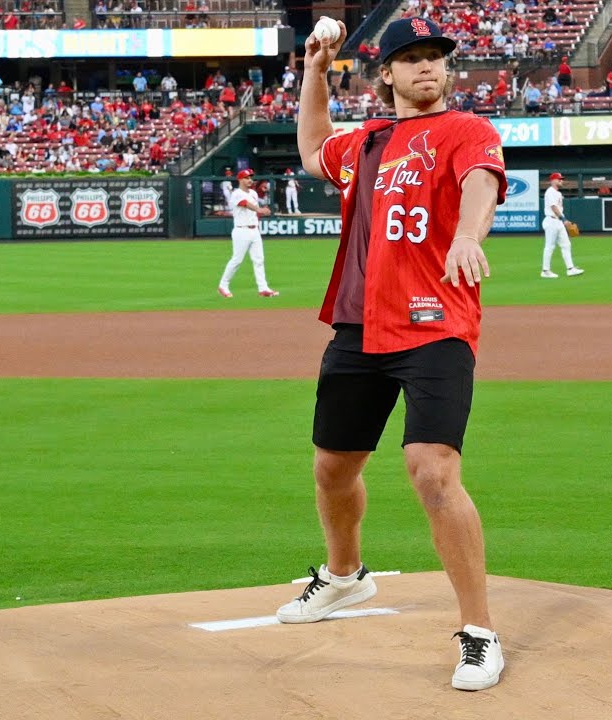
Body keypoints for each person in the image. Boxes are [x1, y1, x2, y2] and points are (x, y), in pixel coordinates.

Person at [278, 16, 508, 692]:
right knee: (332, 469)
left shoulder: (465, 129)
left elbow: (481, 183)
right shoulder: (367, 141)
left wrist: (469, 235)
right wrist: (315, 69)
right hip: (358, 327)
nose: (427, 67)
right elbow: (314, 146)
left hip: (436, 324)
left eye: (435, 57)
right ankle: (345, 578)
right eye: (411, 58)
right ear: (387, 74)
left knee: (432, 473)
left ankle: (479, 633)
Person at [217, 168, 278, 298]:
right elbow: (245, 204)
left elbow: (254, 211)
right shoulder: (236, 193)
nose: (250, 180)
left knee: (259, 260)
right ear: (240, 179)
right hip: (241, 230)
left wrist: (262, 212)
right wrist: (259, 209)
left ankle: (263, 288)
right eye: (247, 178)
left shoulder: (253, 193)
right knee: (237, 260)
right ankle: (223, 285)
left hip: (254, 230)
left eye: (251, 177)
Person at [540, 172, 584, 278]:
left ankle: (570, 269)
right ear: (553, 180)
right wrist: (563, 219)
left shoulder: (558, 193)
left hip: (558, 221)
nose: (561, 181)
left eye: (561, 179)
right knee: (549, 246)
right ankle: (545, 271)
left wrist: (564, 220)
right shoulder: (550, 192)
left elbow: (558, 208)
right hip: (551, 221)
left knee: (566, 244)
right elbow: (553, 207)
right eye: (559, 179)